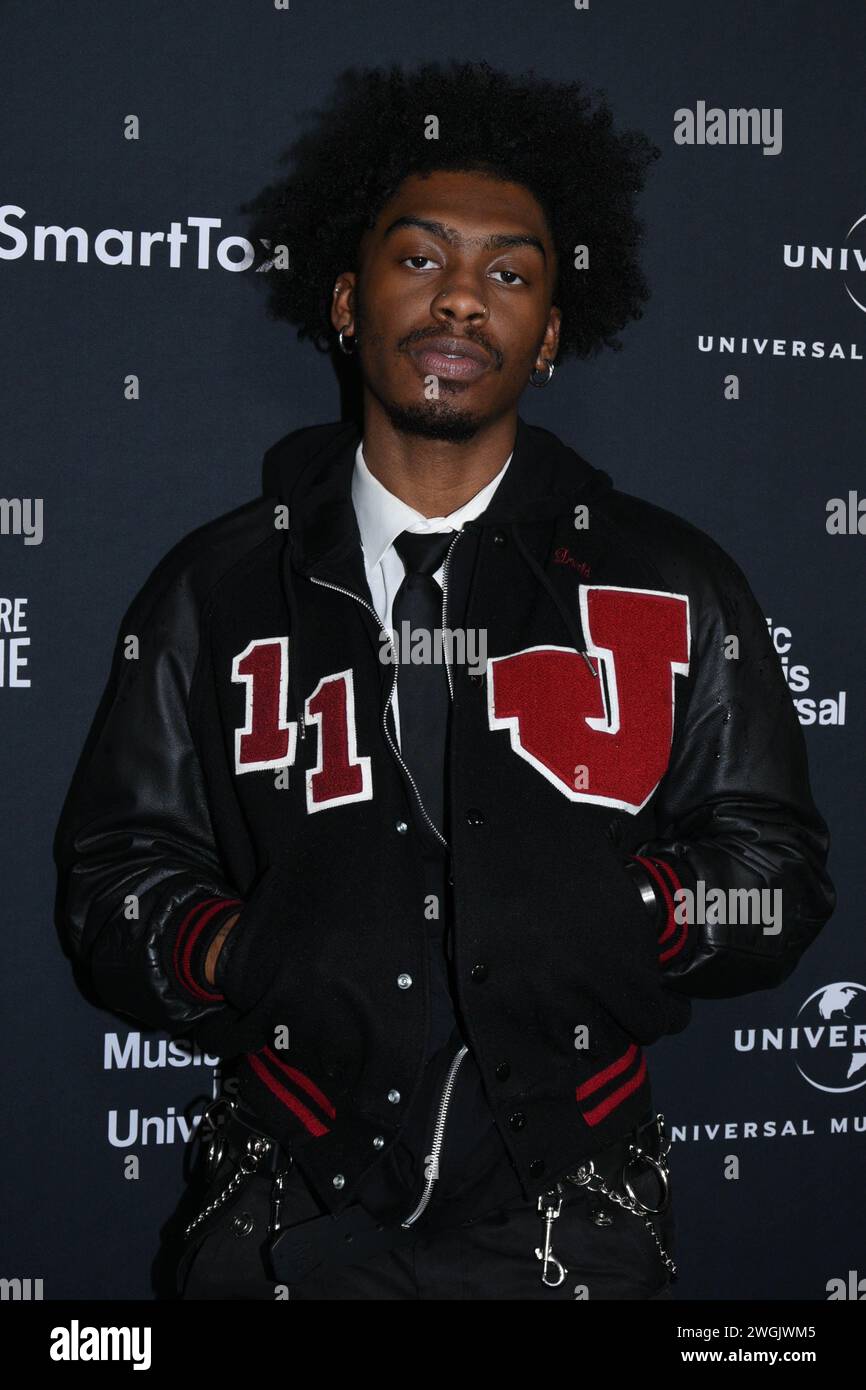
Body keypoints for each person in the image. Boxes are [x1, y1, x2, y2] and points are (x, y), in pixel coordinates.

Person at [55, 60, 836, 1301]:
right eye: (418, 259)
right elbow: (112, 886)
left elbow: (779, 881)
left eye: (510, 274)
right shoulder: (213, 588)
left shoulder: (674, 578)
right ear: (347, 302)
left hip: (571, 1218)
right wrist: (251, 953)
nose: (461, 300)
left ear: (554, 331)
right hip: (277, 1206)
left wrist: (624, 912)